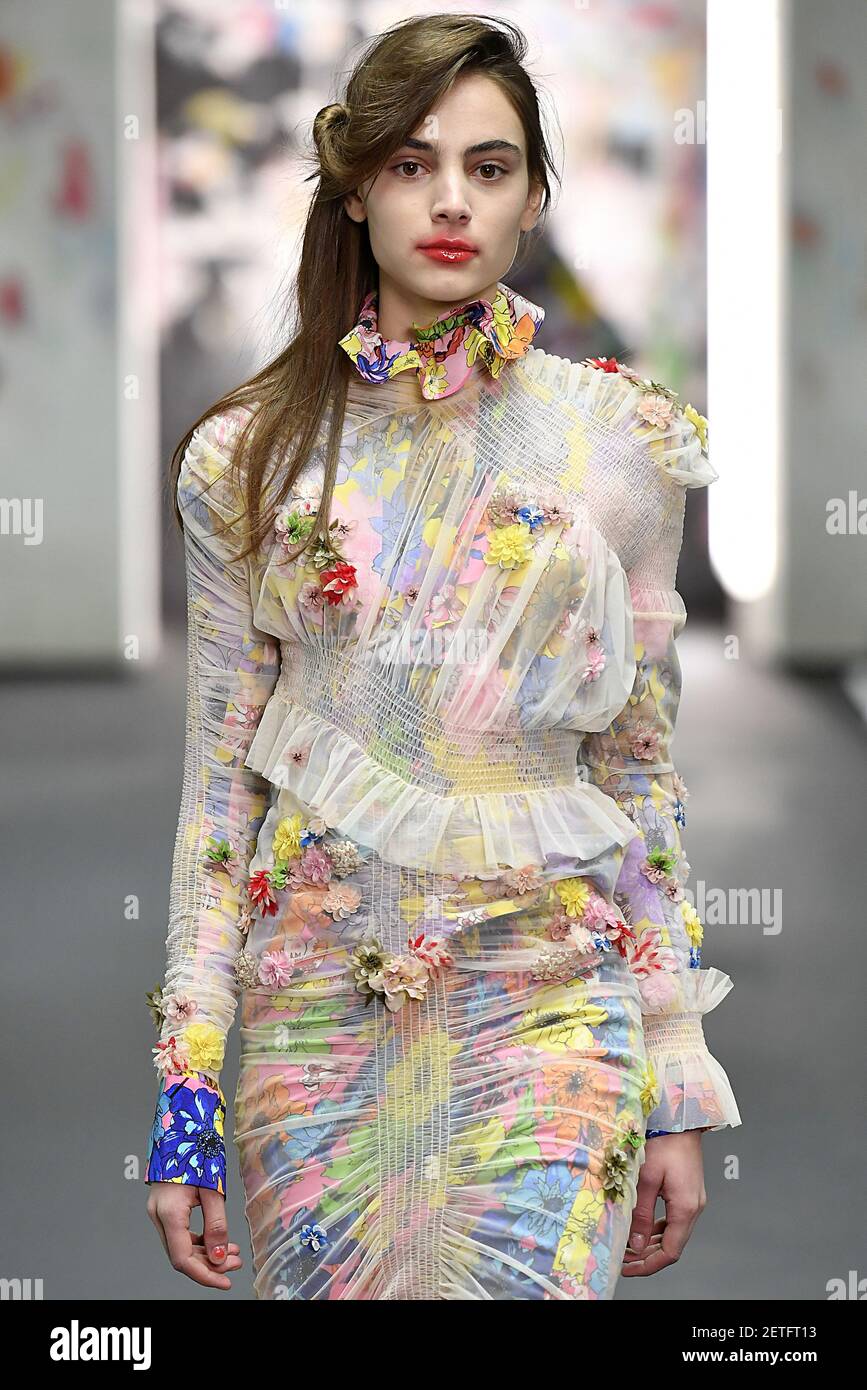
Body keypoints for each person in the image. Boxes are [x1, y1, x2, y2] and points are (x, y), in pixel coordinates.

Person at [144, 12, 741, 1301]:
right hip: (316, 1007)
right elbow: (220, 790)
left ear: (534, 198)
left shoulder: (617, 448)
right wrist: (187, 1092)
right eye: (414, 164)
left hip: (550, 1000)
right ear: (356, 187)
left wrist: (678, 1072)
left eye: (490, 166)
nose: (451, 202)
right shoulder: (248, 458)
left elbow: (638, 782)